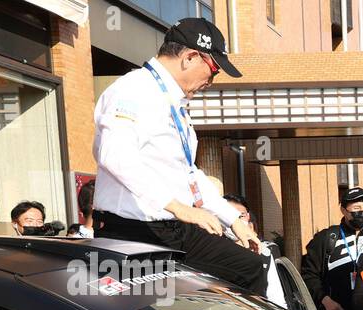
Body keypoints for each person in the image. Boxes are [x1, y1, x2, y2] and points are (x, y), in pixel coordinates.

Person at [92, 17, 268, 293]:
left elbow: (190, 174)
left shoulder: (176, 106)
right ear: (189, 57)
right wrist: (181, 209)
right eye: (213, 70)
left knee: (250, 266)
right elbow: (115, 156)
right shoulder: (134, 90)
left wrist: (233, 221)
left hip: (174, 226)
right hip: (133, 230)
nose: (211, 81)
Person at [302, 187, 363, 310]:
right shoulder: (326, 238)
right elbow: (308, 274)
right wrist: (325, 299)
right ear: (343, 210)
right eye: (356, 208)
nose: (362, 212)